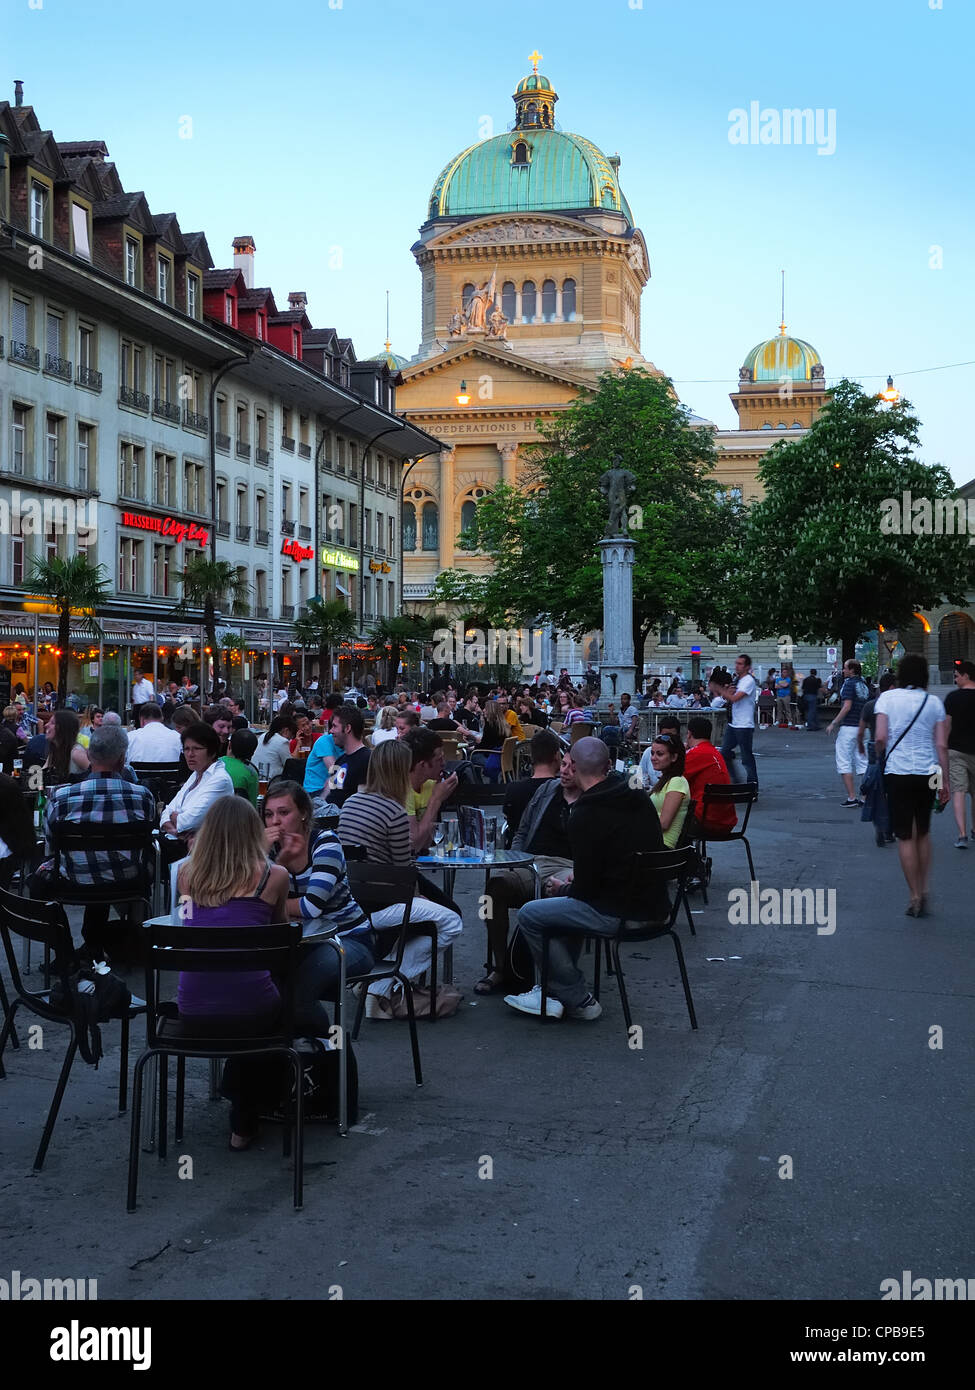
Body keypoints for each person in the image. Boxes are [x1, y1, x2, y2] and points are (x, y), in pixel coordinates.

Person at [505, 738, 667, 1020]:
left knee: (532, 914)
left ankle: (576, 998)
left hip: (618, 911)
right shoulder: (637, 797)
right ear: (607, 766)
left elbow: (584, 892)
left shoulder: (585, 813)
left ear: (575, 767)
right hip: (656, 906)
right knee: (561, 906)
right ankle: (551, 992)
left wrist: (563, 886)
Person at [176, 797, 291, 1149]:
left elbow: (185, 929)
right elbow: (281, 942)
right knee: (278, 1001)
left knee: (239, 994)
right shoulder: (274, 877)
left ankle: (241, 1107)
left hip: (192, 1010)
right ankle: (246, 1112)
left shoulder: (186, 877)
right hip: (253, 1011)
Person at [336, 743, 463, 1018]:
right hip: (380, 905)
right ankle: (380, 985)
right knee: (451, 921)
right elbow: (404, 869)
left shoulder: (351, 802)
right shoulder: (392, 810)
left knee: (436, 913)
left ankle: (378, 982)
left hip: (353, 902)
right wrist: (418, 896)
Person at [262, 781, 374, 1033]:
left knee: (298, 993)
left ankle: (327, 1058)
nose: (275, 822)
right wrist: (270, 857)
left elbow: (311, 907)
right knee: (263, 986)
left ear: (303, 813)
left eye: (284, 812)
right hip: (299, 943)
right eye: (269, 814)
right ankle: (282, 1057)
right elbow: (253, 905)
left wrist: (275, 902)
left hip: (348, 939)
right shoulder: (269, 852)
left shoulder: (325, 843)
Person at [36, 724, 155, 959]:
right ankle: (96, 943)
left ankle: (65, 950)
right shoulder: (143, 796)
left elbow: (50, 845)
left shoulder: (62, 797)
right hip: (128, 880)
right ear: (122, 759)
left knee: (39, 879)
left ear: (89, 756)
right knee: (104, 864)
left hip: (72, 880)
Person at [477, 746, 581, 994]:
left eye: (573, 768)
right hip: (531, 862)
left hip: (568, 866)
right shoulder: (548, 789)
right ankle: (500, 967)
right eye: (564, 765)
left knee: (563, 895)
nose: (565, 772)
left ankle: (557, 979)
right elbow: (522, 830)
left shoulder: (592, 800)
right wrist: (515, 860)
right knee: (494, 889)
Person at [874, 655, 949, 916]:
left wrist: (877, 752)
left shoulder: (887, 699)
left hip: (898, 771)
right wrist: (944, 783)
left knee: (905, 834)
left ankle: (914, 895)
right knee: (924, 832)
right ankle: (925, 887)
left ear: (901, 675)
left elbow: (881, 737)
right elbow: (940, 746)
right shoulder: (934, 703)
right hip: (929, 772)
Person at [159, 721, 235, 862]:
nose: (190, 754)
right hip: (186, 847)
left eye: (196, 749)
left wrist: (176, 818)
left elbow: (187, 821)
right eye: (186, 749)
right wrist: (173, 824)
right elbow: (167, 810)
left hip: (212, 853)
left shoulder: (220, 779)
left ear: (212, 752)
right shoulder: (196, 774)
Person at [502, 730, 564, 841]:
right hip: (554, 855)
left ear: (532, 756)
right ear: (557, 755)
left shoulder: (513, 790)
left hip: (520, 854)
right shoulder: (562, 791)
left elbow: (511, 825)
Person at [857, 673, 895, 848]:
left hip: (873, 746)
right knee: (891, 790)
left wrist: (860, 745)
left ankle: (879, 826)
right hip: (892, 748)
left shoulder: (870, 705)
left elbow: (861, 729)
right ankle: (889, 829)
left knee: (876, 788)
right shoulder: (896, 705)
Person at [826, 659, 871, 807]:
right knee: (863, 763)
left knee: (844, 761)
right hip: (864, 728)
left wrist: (834, 723)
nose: (843, 671)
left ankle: (851, 797)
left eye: (845, 668)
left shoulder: (849, 684)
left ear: (852, 670)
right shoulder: (864, 684)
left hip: (849, 727)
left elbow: (847, 706)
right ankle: (865, 797)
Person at [683, 718, 736, 835]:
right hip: (726, 821)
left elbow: (673, 779)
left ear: (689, 734)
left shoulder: (695, 753)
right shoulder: (715, 753)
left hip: (703, 820)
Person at [943, 659, 975, 849]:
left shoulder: (952, 698)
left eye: (956, 676)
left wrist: (942, 749)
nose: (955, 680)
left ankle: (962, 835)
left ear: (965, 675)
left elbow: (946, 726)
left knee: (959, 792)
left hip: (955, 751)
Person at [716, 655, 759, 792]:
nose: (737, 666)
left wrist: (719, 688)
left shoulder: (748, 681)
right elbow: (728, 698)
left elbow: (735, 698)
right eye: (736, 663)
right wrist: (726, 691)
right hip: (734, 723)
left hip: (744, 725)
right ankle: (735, 781)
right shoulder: (738, 680)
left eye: (740, 664)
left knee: (747, 757)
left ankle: (752, 787)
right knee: (724, 753)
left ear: (747, 667)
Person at [644, 734, 691, 849]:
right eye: (652, 753)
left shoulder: (677, 781)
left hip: (662, 845)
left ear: (674, 757)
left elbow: (664, 824)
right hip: (653, 841)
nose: (653, 758)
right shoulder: (666, 780)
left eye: (659, 754)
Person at [325, 706, 370, 808]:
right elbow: (330, 791)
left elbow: (362, 803)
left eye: (334, 726)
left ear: (347, 728)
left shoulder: (367, 760)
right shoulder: (340, 760)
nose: (331, 731)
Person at [302, 693, 344, 796]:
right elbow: (333, 769)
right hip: (315, 791)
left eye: (335, 727)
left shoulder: (348, 745)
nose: (331, 730)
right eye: (332, 726)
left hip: (334, 788)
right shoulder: (324, 741)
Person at [43, 709, 90, 782]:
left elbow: (95, 776)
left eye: (52, 723)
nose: (46, 725)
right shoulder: (54, 751)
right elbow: (42, 775)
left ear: (63, 727)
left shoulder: (76, 753)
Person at [222, 728, 260, 806]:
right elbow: (252, 805)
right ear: (252, 752)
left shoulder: (215, 763)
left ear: (229, 745)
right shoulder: (251, 773)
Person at [474, 699, 508, 781]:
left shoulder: (490, 726)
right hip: (503, 757)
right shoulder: (503, 725)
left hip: (493, 756)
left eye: (485, 708)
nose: (483, 710)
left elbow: (484, 745)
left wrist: (473, 747)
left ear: (490, 711)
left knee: (471, 756)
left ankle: (478, 783)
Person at [255, 715, 296, 783]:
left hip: (257, 777)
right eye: (291, 735)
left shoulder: (262, 736)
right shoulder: (282, 741)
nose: (290, 739)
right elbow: (289, 765)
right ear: (286, 730)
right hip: (272, 781)